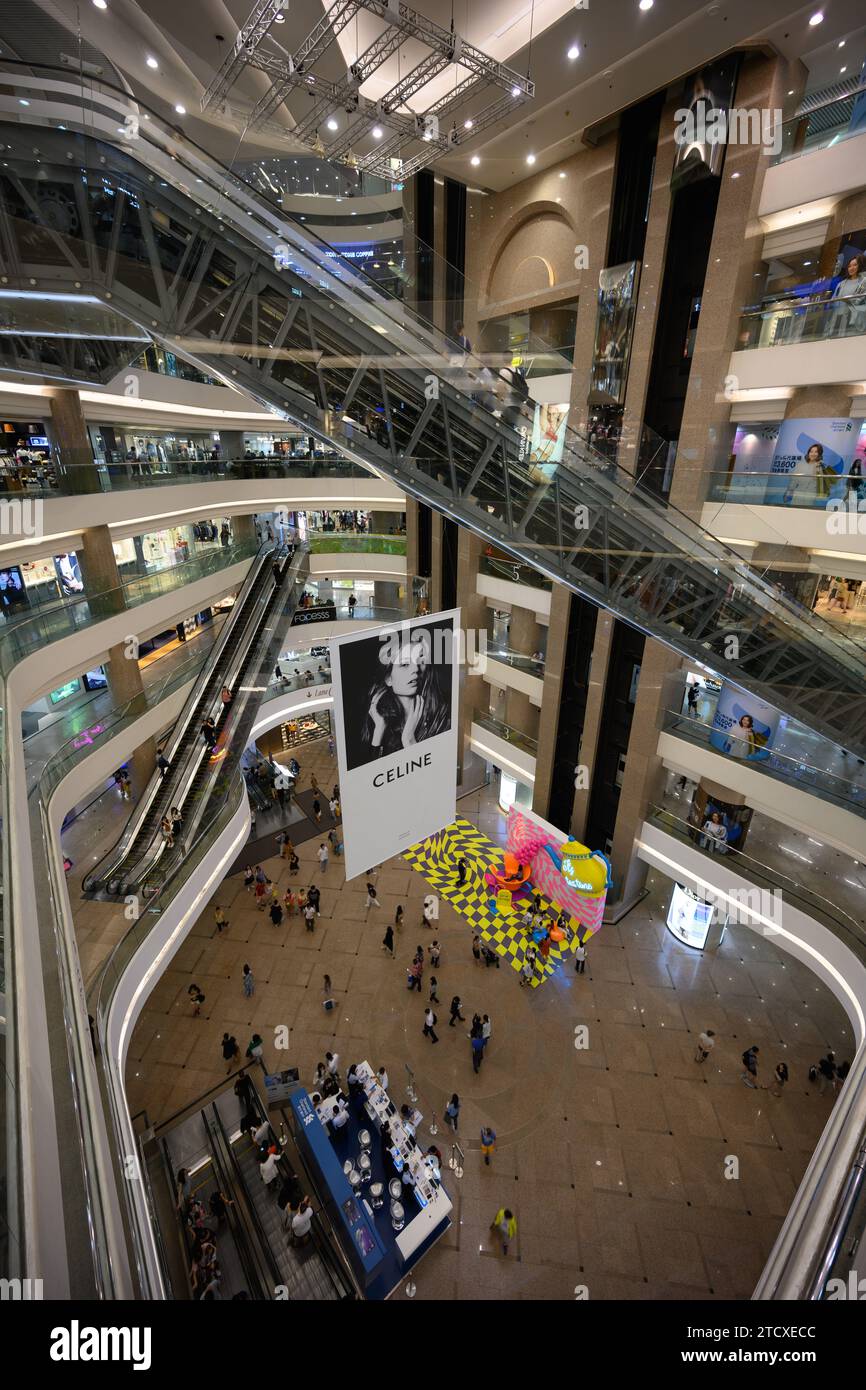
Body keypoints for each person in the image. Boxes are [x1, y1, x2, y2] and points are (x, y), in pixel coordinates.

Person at [361, 627, 450, 759]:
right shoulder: (378, 719)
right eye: (404, 664)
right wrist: (379, 730)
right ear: (388, 678)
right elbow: (368, 775)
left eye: (421, 661)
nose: (415, 668)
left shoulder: (443, 719)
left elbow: (434, 773)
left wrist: (409, 740)